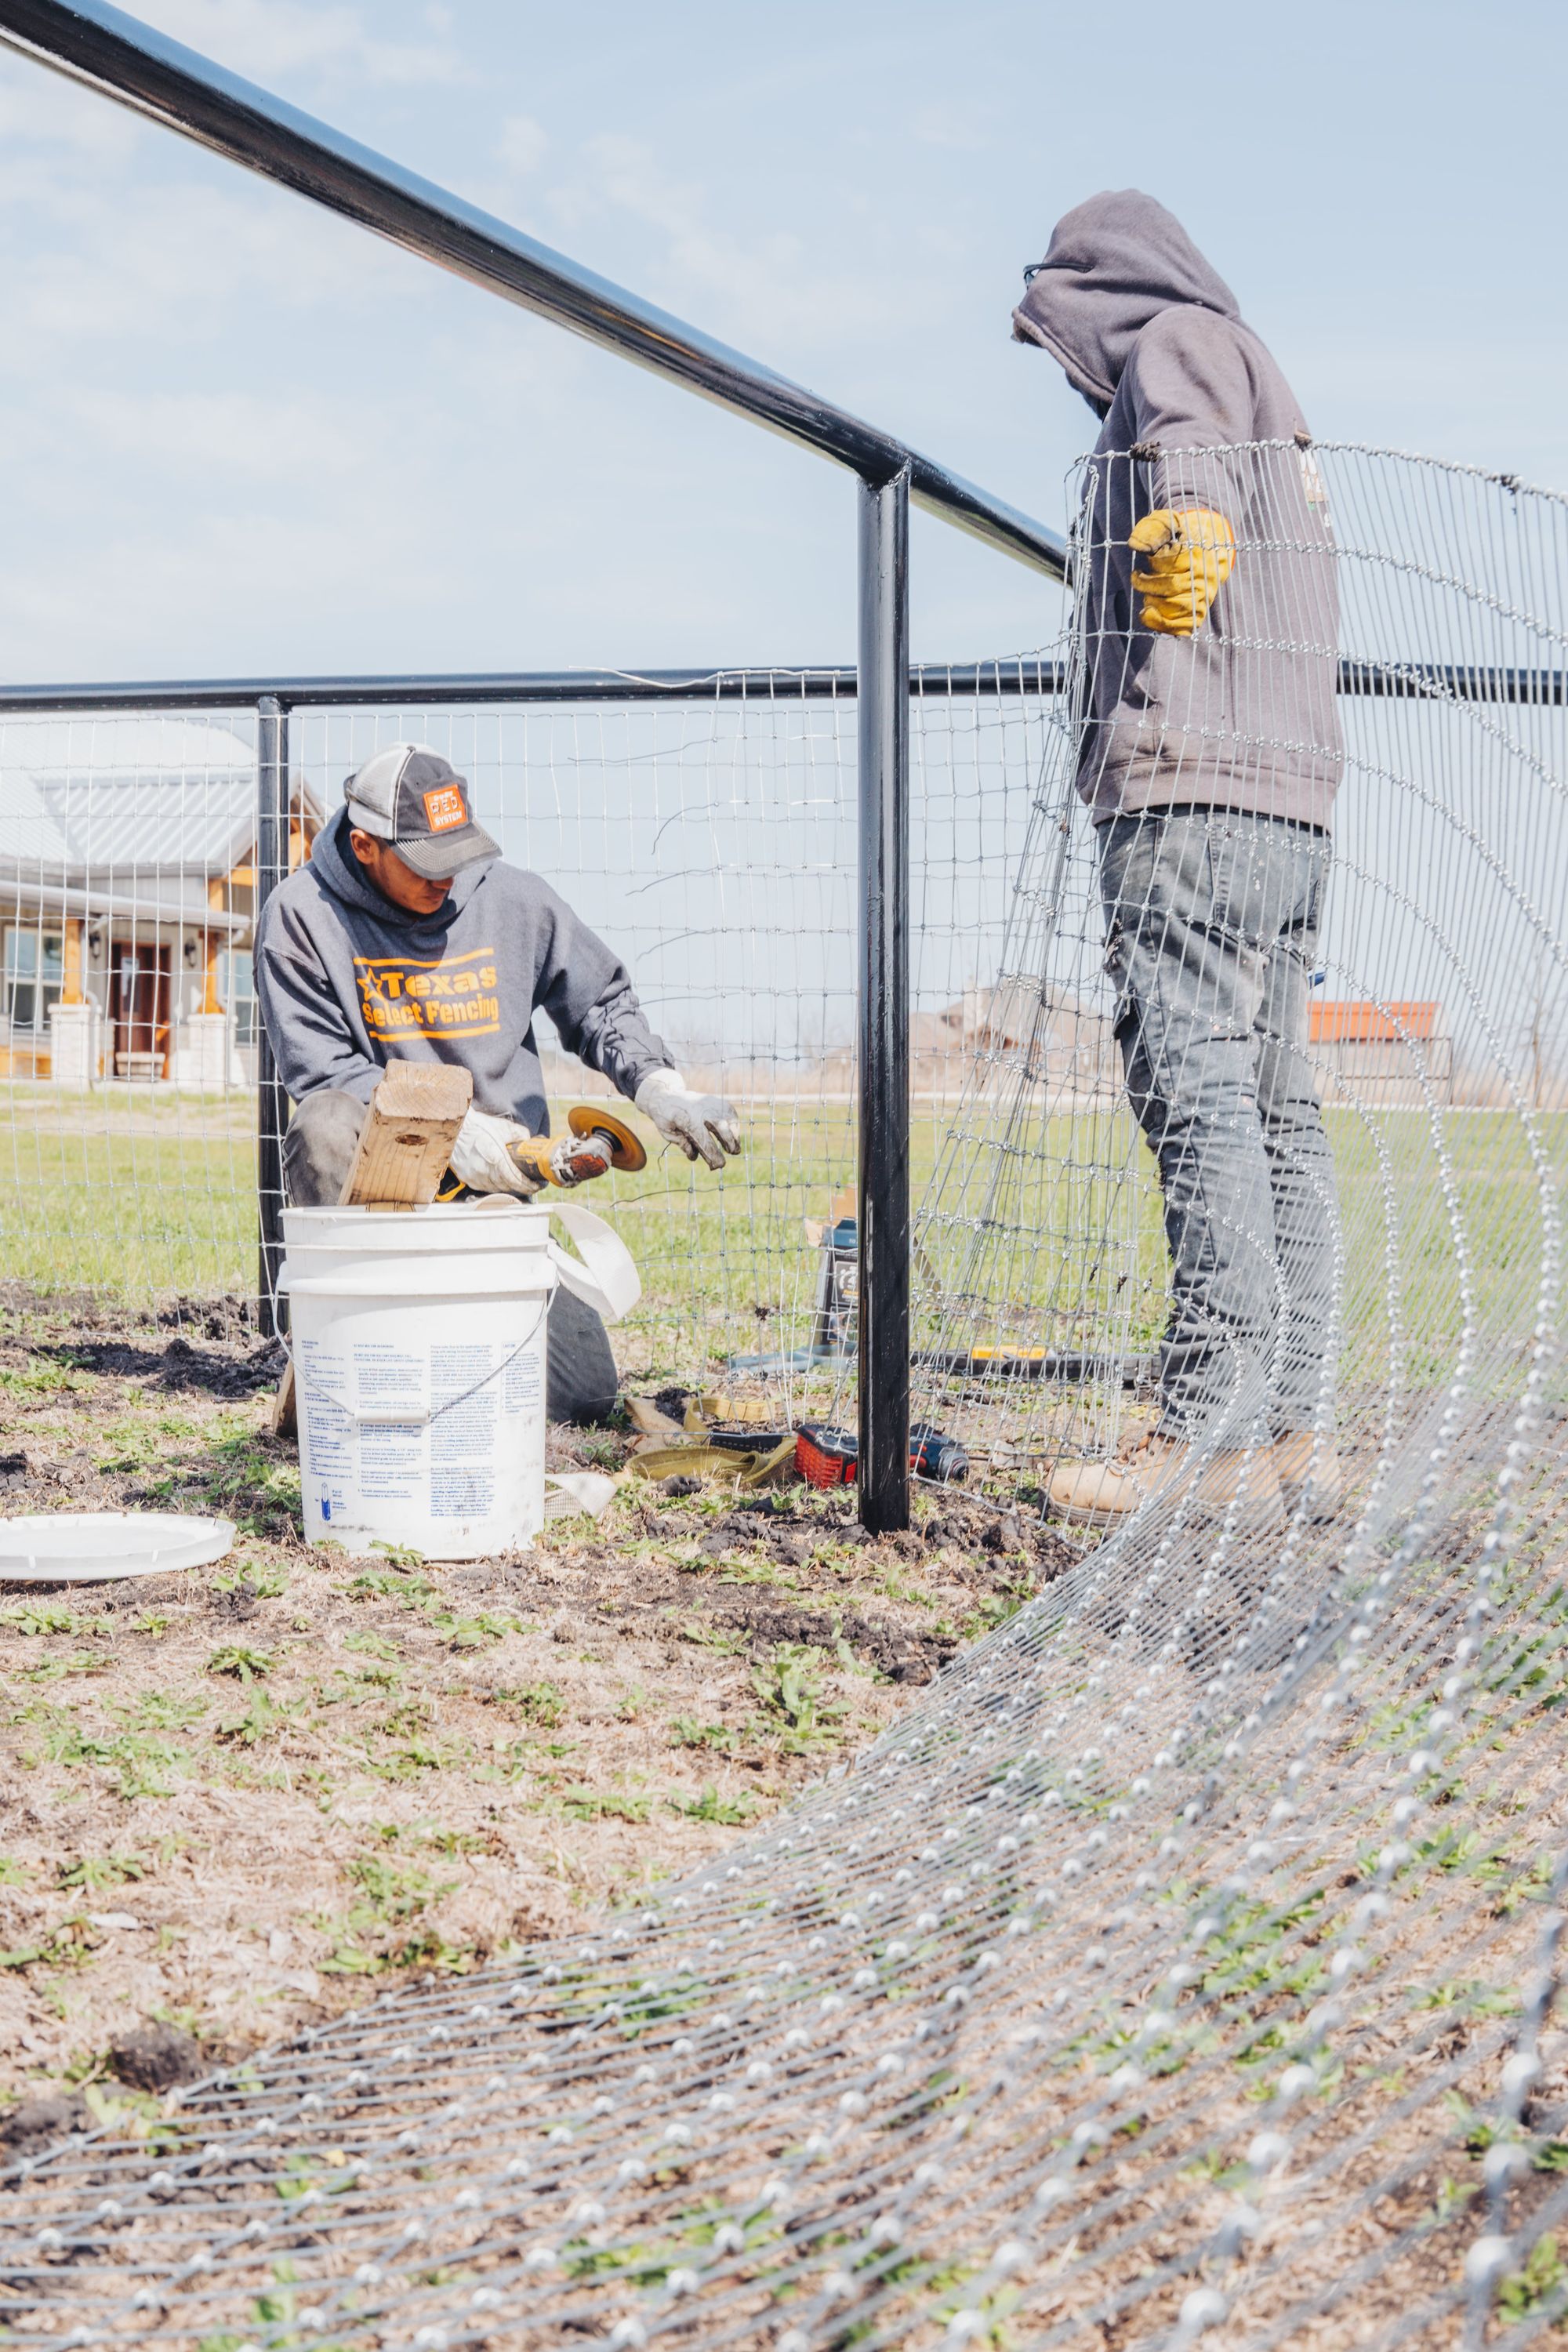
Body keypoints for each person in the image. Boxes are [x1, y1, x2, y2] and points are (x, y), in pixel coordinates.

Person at [1011, 191, 1342, 1526]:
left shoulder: (1180, 341)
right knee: (1274, 1112)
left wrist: (1185, 523)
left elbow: (1189, 465)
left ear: (1094, 291)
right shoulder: (1278, 384)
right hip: (1295, 804)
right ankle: (1290, 1431)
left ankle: (1206, 1431)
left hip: (1192, 792)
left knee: (1196, 1097)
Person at [254, 742, 739, 1423]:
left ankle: (441, 1352)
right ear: (365, 847)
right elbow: (325, 1072)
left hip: (498, 1207)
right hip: (385, 1197)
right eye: (427, 864)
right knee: (326, 1122)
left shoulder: (513, 899)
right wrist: (452, 1134)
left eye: (458, 854)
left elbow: (601, 1003)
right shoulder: (301, 917)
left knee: (584, 1401)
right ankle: (345, 1353)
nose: (447, 879)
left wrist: (660, 1086)